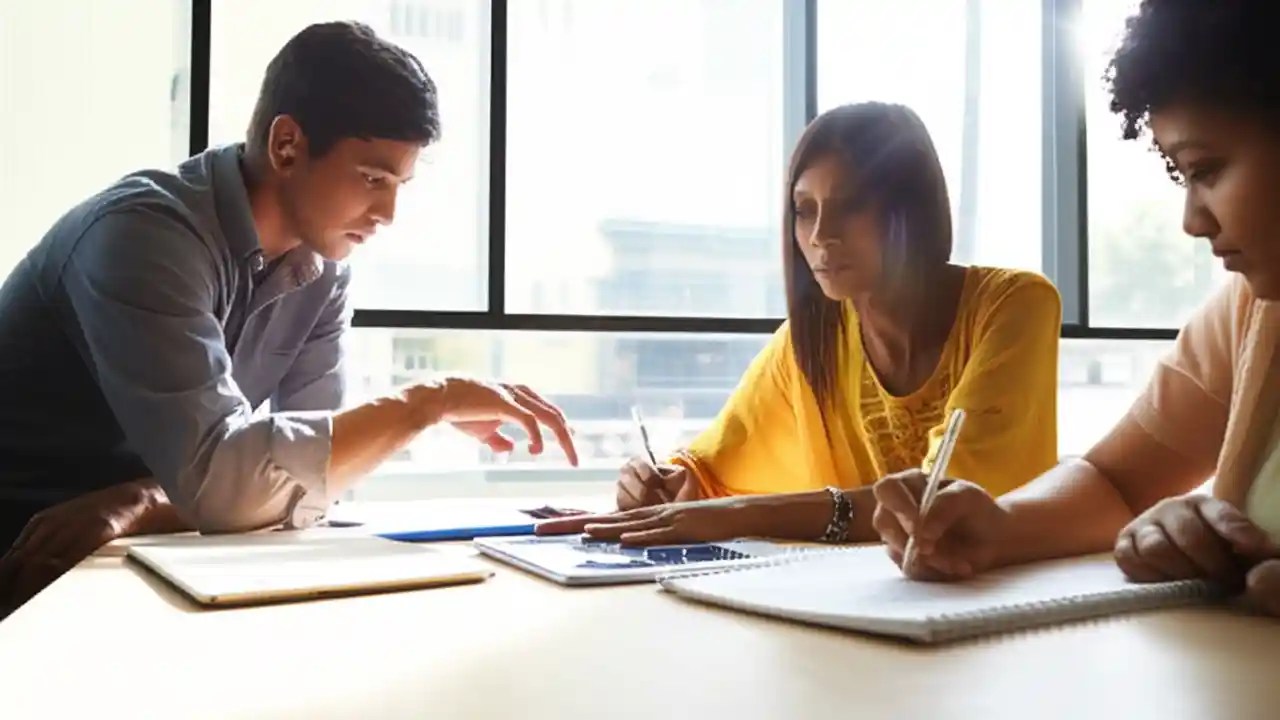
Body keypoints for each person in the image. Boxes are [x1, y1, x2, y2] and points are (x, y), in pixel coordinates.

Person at [0, 22, 576, 612]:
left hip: (133, 550)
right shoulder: (144, 235)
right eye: (373, 178)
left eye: (400, 184)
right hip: (28, 553)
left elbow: (307, 487)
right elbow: (233, 486)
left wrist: (146, 499)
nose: (388, 213)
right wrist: (427, 403)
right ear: (287, 146)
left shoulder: (323, 271)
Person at [870, 0, 1280, 617]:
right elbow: (1115, 482)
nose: (1193, 221)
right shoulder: (1252, 317)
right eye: (1183, 176)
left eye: (1207, 170)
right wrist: (1000, 524)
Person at [539, 102, 1061, 546]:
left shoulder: (1015, 305)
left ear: (911, 211)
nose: (820, 235)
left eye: (850, 206)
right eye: (803, 209)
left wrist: (743, 516)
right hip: (861, 613)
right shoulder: (811, 343)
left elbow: (947, 500)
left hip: (1004, 603)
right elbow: (711, 472)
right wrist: (661, 484)